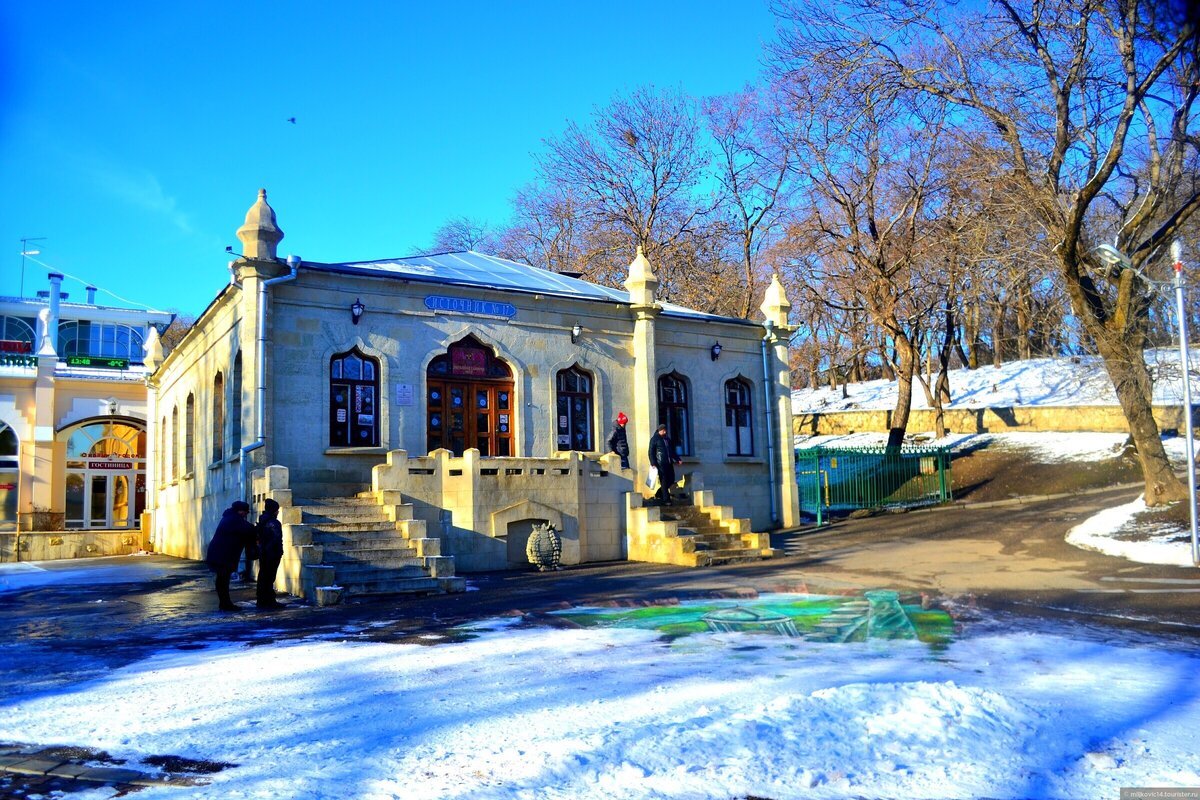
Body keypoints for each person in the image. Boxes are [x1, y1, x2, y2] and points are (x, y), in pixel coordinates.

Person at [205, 501, 255, 611]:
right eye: (245, 512)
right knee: (223, 580)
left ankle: (225, 603)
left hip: (220, 554)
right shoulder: (233, 519)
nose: (246, 515)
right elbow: (248, 528)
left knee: (222, 580)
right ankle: (225, 604)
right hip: (221, 555)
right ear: (240, 511)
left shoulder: (230, 517)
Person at [255, 498, 286, 609]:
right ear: (274, 511)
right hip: (272, 554)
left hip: (263, 552)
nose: (278, 512)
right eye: (277, 510)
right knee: (269, 577)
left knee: (263, 576)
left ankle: (261, 600)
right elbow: (277, 539)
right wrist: (279, 552)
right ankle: (269, 600)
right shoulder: (274, 523)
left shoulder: (263, 520)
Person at [647, 422, 682, 504]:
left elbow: (672, 451)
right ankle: (666, 500)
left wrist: (677, 459)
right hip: (660, 464)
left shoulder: (667, 439)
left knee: (671, 480)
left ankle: (659, 493)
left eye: (665, 430)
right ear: (660, 430)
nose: (665, 432)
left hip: (669, 463)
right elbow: (651, 452)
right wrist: (653, 463)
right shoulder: (654, 439)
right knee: (664, 481)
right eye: (663, 431)